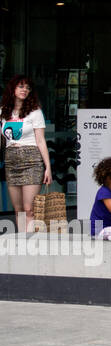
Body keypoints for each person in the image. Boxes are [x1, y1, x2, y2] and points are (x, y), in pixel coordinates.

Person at [2, 75, 53, 232]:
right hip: (11, 160)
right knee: (18, 209)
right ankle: (22, 244)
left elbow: (41, 141)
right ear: (13, 89)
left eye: (28, 88)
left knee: (29, 208)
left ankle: (30, 244)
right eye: (21, 86)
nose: (25, 90)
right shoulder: (3, 111)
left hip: (32, 160)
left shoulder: (35, 112)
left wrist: (48, 167)